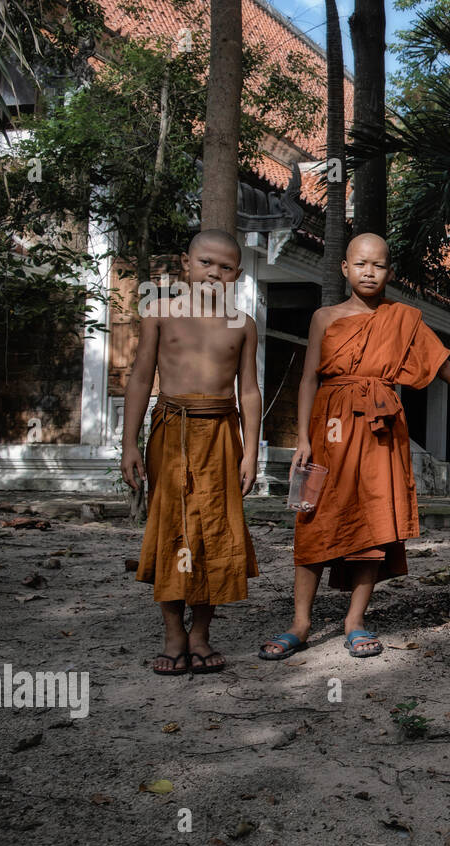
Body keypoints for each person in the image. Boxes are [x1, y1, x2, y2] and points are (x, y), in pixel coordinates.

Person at [260, 233, 450, 661]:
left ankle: (355, 621)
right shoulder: (325, 317)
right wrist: (303, 439)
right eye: (360, 263)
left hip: (381, 434)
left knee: (373, 523)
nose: (368, 271)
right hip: (330, 431)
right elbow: (309, 379)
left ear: (389, 272)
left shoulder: (404, 319)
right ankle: (300, 623)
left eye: (378, 265)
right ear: (345, 268)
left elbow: (444, 367)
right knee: (314, 522)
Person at [122, 229, 260, 676]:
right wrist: (128, 443)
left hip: (222, 432)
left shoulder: (242, 323)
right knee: (171, 527)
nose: (213, 274)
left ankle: (200, 633)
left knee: (214, 531)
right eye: (205, 263)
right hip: (170, 430)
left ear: (236, 275)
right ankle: (172, 632)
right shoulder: (159, 314)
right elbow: (142, 378)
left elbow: (250, 391)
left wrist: (251, 452)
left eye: (224, 267)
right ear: (185, 264)